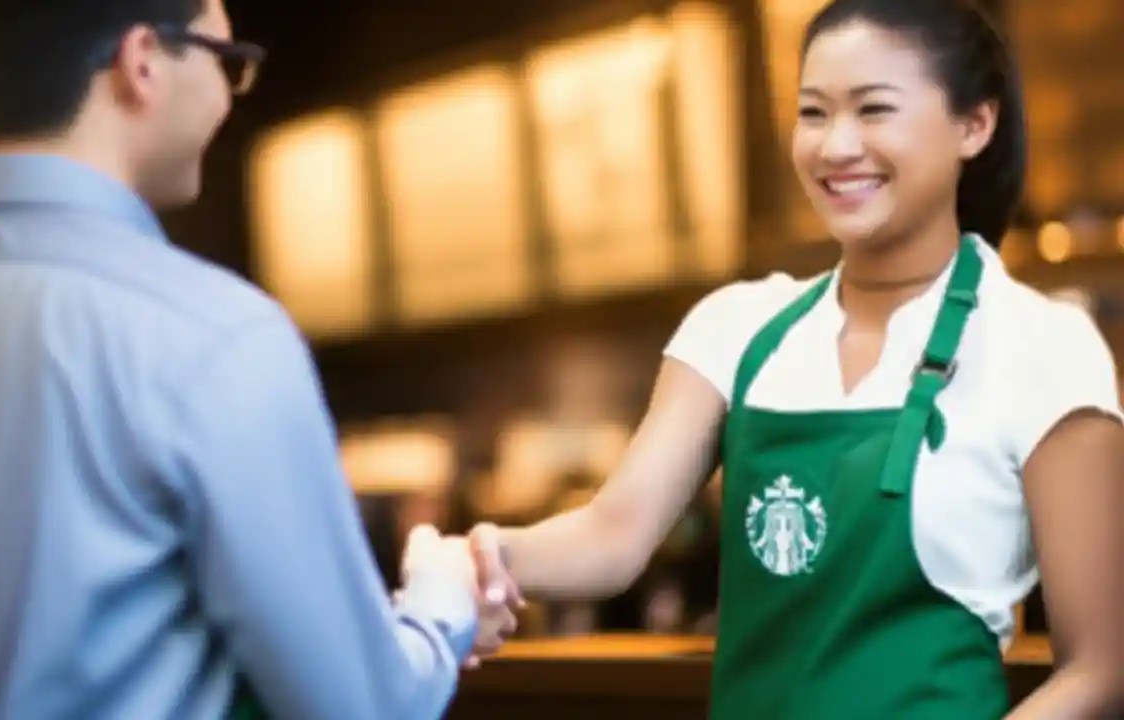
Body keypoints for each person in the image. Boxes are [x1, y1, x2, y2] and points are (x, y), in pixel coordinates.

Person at [0, 1, 512, 718]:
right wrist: (442, 599)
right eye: (226, 62)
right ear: (142, 63)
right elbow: (365, 704)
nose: (228, 94)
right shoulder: (216, 337)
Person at [455, 0, 1124, 717]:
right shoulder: (739, 327)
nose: (835, 147)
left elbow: (1100, 672)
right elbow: (613, 535)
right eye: (813, 113)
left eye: (873, 110)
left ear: (974, 124)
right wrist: (477, 561)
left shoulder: (1040, 345)